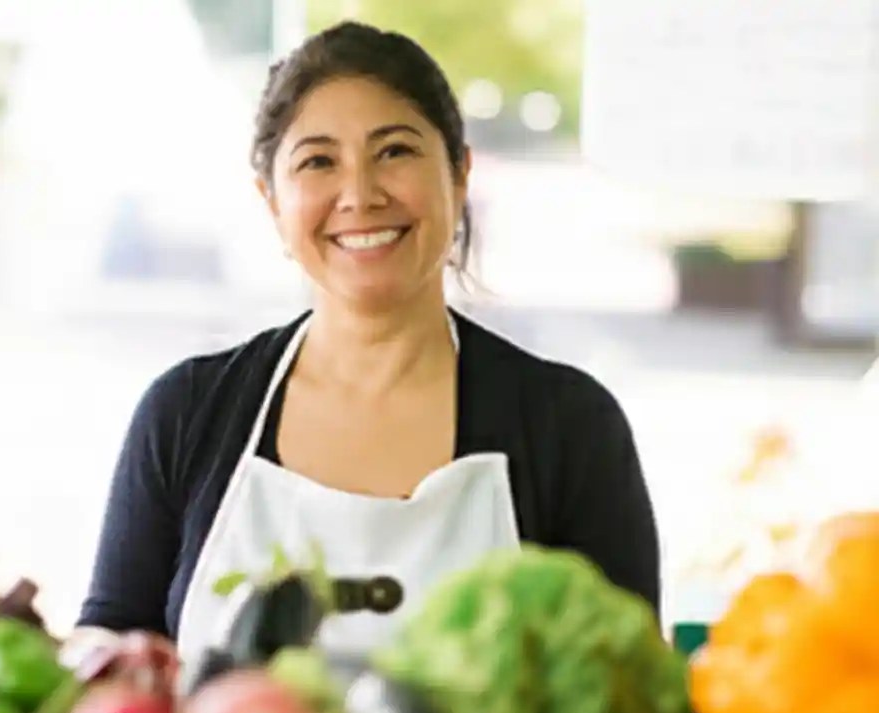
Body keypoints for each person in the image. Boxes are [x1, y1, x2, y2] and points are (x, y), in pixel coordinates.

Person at [77, 21, 660, 663]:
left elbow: (624, 686)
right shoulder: (186, 413)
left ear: (459, 175)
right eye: (318, 162)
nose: (359, 195)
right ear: (272, 202)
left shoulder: (570, 427)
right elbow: (110, 660)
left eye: (395, 152)